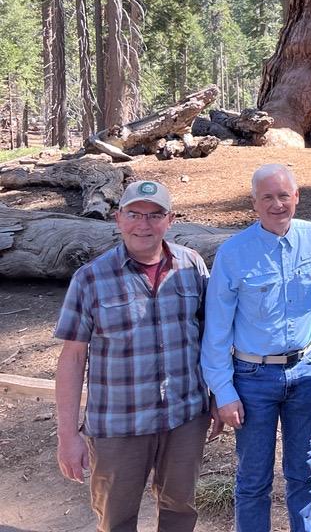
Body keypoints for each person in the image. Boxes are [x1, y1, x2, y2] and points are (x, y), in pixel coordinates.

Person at [55, 180, 217, 532]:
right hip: (118, 426)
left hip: (185, 418)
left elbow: (211, 338)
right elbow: (72, 358)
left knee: (180, 512)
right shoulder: (90, 279)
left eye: (155, 215)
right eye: (134, 214)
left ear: (170, 219)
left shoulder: (192, 267)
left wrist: (218, 398)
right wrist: (67, 435)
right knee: (116, 520)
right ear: (118, 218)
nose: (144, 224)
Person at [201, 164, 311, 532]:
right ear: (254, 202)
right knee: (253, 479)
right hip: (252, 378)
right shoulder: (233, 254)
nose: (277, 204)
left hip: (306, 371)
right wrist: (224, 392)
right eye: (267, 197)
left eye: (283, 196)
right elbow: (216, 332)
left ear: (297, 197)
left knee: (305, 472)